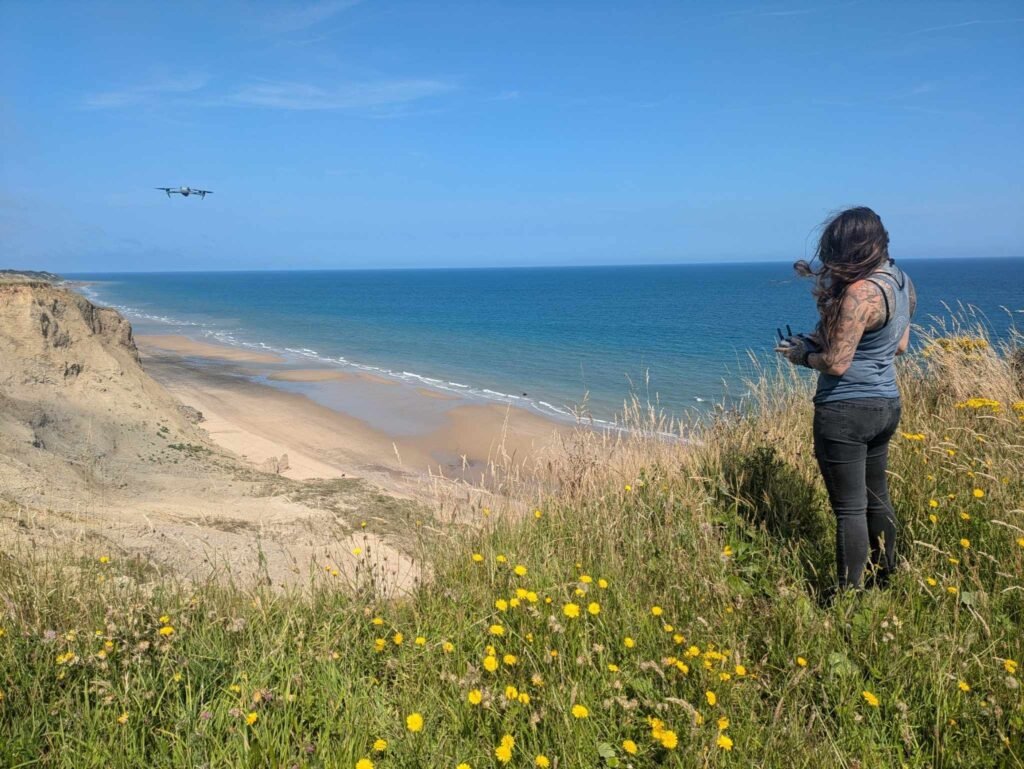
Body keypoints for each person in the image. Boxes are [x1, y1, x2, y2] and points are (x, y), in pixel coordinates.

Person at [776, 207, 916, 590]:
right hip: (886, 403)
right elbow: (900, 345)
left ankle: (848, 595)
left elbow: (836, 364)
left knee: (849, 509)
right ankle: (885, 577)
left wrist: (800, 355)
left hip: (845, 410)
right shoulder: (902, 283)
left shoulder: (860, 292)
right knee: (877, 497)